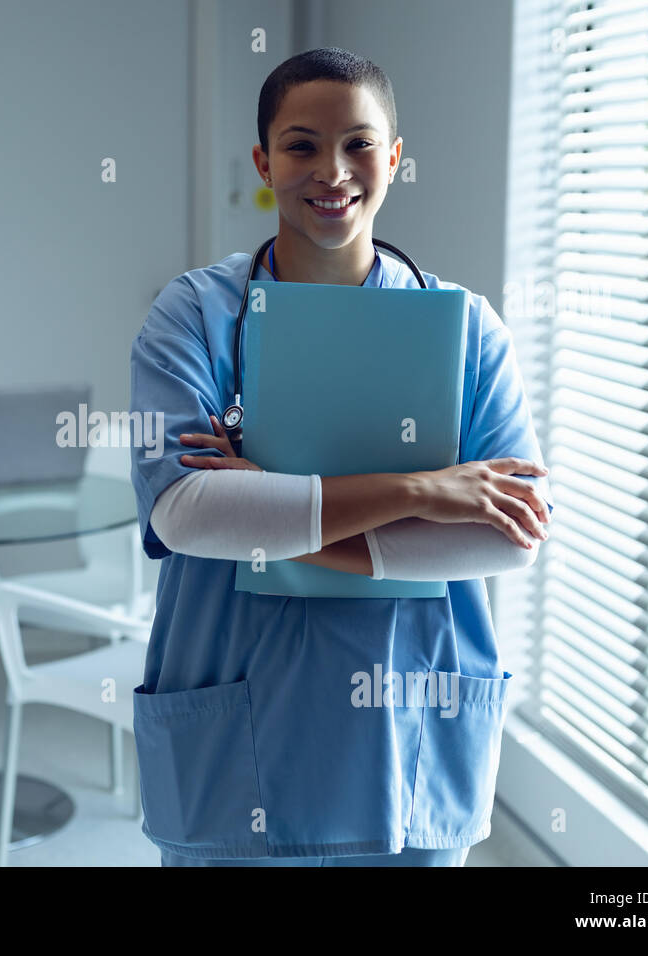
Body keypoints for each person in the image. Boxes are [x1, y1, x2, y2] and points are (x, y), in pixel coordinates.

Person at [129, 48, 555, 867]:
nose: (333, 171)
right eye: (300, 146)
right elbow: (188, 514)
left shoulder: (465, 328)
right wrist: (423, 490)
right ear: (263, 161)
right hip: (238, 721)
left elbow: (508, 532)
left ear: (395, 157)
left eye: (360, 144)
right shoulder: (194, 315)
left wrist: (274, 510)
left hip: (407, 726)